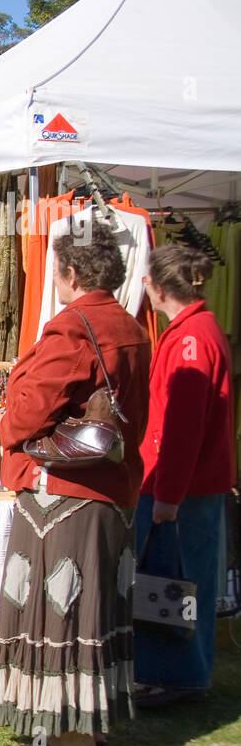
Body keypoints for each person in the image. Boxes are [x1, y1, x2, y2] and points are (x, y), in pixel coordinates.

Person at [0, 220, 150, 746]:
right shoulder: (131, 327)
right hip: (107, 495)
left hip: (66, 494)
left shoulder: (74, 328)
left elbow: (33, 411)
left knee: (63, 614)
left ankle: (71, 742)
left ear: (68, 272)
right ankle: (86, 731)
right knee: (91, 612)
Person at [133, 244, 234, 707]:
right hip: (183, 485)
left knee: (177, 582)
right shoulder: (193, 331)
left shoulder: (192, 338)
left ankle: (180, 676)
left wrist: (168, 495)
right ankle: (175, 673)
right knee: (175, 580)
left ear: (158, 285)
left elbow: (184, 427)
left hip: (183, 489)